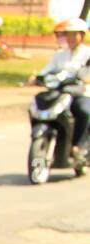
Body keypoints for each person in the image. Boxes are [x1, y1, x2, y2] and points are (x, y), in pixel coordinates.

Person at [32, 18, 90, 161]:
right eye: (68, 34)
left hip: (80, 93)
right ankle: (42, 133)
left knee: (84, 111)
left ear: (81, 36)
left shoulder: (87, 54)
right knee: (39, 104)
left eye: (73, 34)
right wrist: (36, 78)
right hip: (60, 92)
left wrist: (86, 79)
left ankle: (78, 146)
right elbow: (46, 70)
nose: (70, 38)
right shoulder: (60, 54)